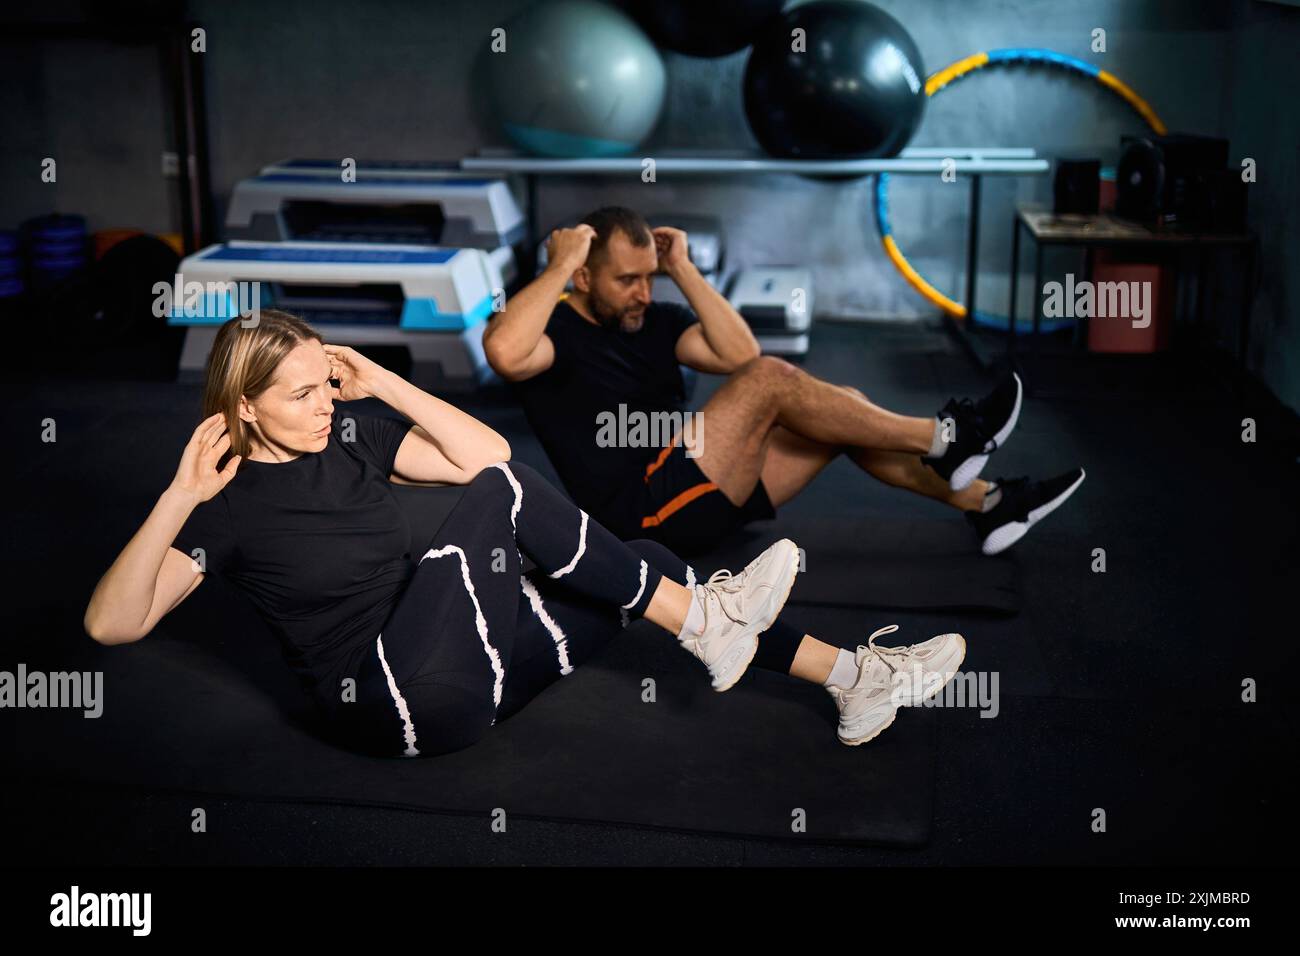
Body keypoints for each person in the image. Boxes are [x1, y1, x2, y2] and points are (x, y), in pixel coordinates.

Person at [82, 310, 967, 752]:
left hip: (472, 675)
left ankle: (854, 678)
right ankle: (712, 624)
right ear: (245, 406)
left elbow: (482, 451)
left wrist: (381, 383)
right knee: (513, 503)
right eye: (302, 393)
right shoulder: (221, 508)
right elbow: (111, 623)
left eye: (327, 383)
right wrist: (176, 495)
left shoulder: (351, 434)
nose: (325, 406)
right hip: (392, 701)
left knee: (649, 563)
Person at [482, 206, 1085, 557]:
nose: (644, 293)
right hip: (642, 515)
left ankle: (989, 503)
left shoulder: (656, 318)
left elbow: (737, 352)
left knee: (840, 409)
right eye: (626, 281)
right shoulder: (551, 333)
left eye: (650, 276)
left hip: (696, 481)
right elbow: (504, 353)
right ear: (583, 279)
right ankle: (947, 436)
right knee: (775, 382)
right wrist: (560, 262)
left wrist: (683, 269)